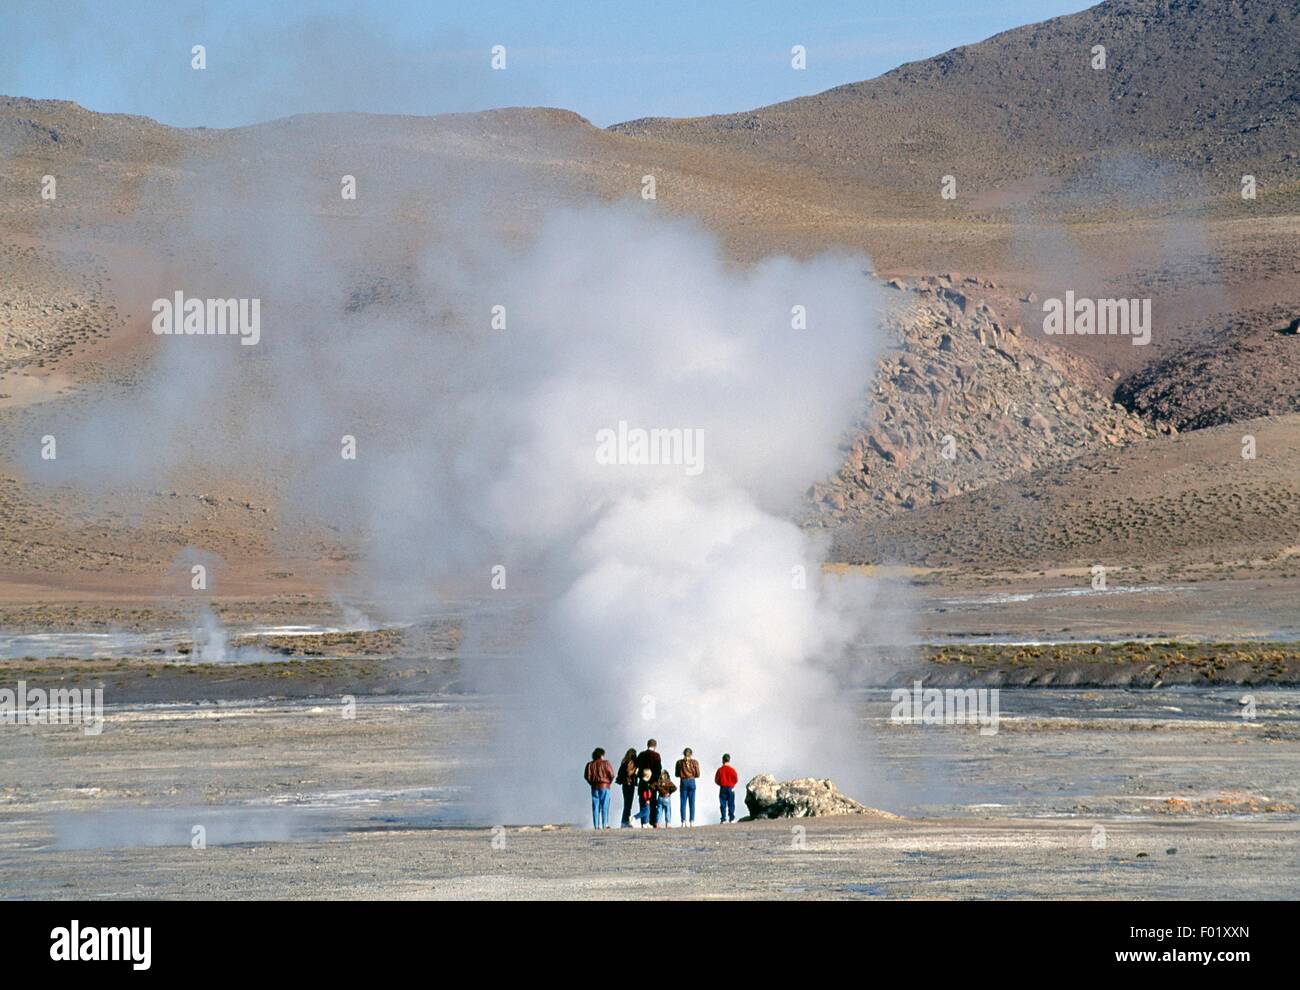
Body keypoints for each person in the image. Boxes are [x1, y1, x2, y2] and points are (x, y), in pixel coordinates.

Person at [584, 747, 614, 829]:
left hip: (594, 787)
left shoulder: (590, 764)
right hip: (605, 786)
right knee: (604, 805)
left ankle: (596, 826)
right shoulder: (606, 763)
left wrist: (592, 783)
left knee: (595, 806)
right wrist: (608, 782)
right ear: (601, 755)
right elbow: (612, 774)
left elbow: (586, 776)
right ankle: (605, 824)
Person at [635, 739, 663, 827]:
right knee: (653, 801)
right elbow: (658, 770)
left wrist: (641, 777)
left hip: (643, 782)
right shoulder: (657, 756)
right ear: (655, 746)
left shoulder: (641, 754)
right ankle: (651, 821)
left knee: (643, 801)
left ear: (647, 745)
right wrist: (654, 779)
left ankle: (644, 822)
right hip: (653, 783)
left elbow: (637, 768)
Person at [675, 747, 700, 827]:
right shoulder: (695, 762)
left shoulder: (679, 762)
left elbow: (676, 774)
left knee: (683, 803)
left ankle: (683, 821)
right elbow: (698, 774)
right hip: (692, 781)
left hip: (683, 782)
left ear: (683, 754)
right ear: (691, 754)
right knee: (692, 803)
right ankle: (692, 821)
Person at [615, 747, 639, 828]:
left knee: (626, 803)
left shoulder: (624, 762)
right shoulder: (631, 762)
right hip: (629, 784)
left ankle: (624, 821)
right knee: (628, 804)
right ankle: (625, 821)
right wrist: (635, 769)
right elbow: (629, 773)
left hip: (624, 784)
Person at [715, 753, 739, 824]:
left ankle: (723, 819)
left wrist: (721, 784)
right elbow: (736, 779)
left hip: (723, 788)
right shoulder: (732, 770)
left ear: (722, 760)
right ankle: (731, 818)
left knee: (723, 804)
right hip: (731, 788)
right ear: (729, 760)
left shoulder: (720, 770)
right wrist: (732, 784)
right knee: (731, 803)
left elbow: (716, 780)